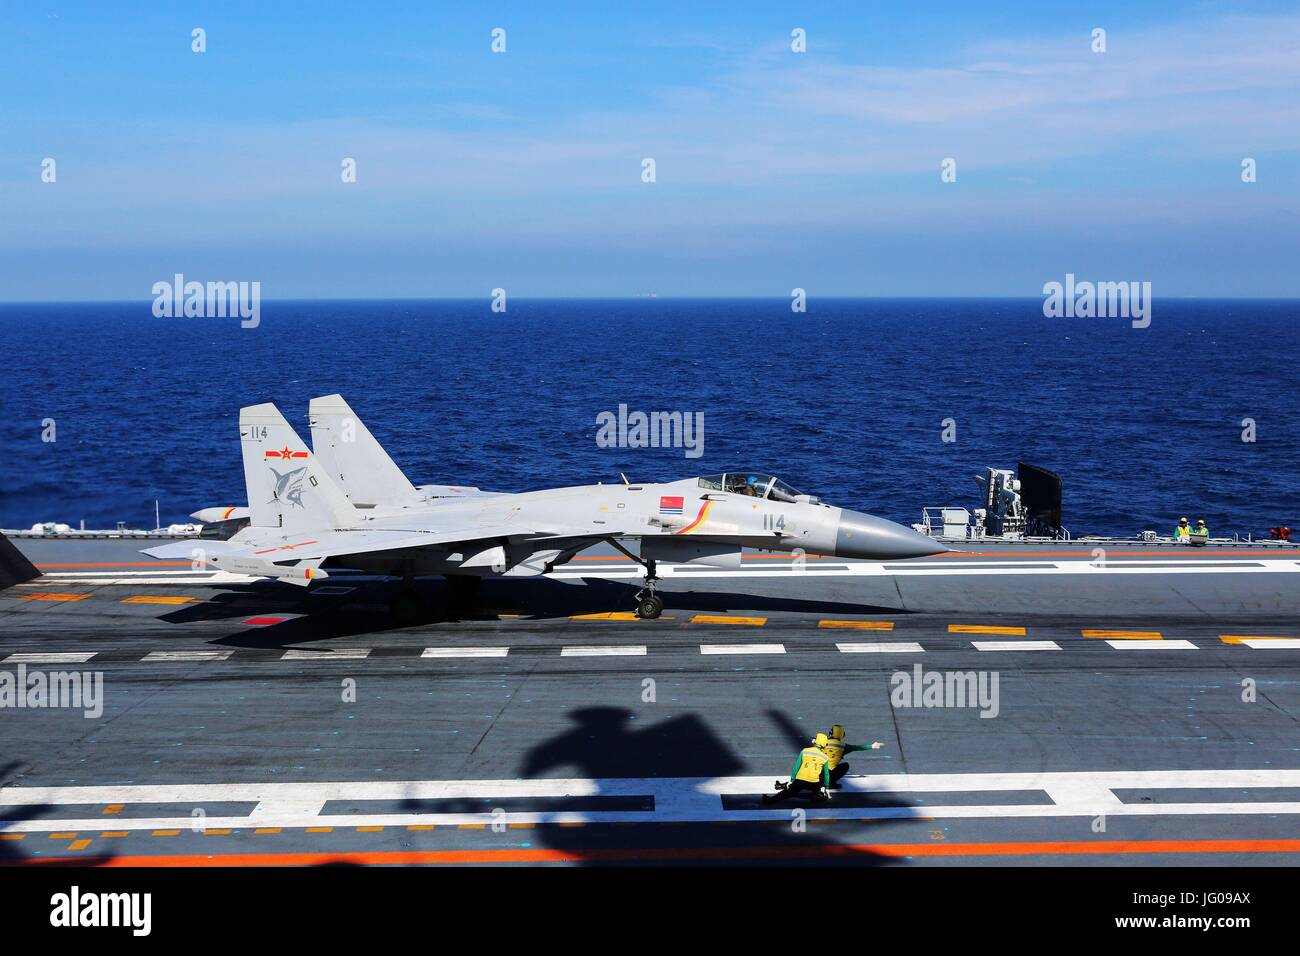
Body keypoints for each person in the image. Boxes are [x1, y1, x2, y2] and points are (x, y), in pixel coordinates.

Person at [762, 733, 832, 803]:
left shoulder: (805, 751)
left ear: (815, 741)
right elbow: (826, 775)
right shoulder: (825, 757)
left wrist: (792, 780)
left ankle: (771, 800)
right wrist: (827, 787)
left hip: (800, 781)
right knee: (822, 773)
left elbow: (796, 767)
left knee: (789, 792)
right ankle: (816, 795)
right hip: (813, 784)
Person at [823, 724, 884, 788]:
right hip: (830, 772)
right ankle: (831, 783)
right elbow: (857, 747)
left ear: (831, 733)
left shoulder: (823, 742)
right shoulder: (843, 746)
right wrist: (872, 746)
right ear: (842, 735)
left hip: (819, 771)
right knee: (845, 766)